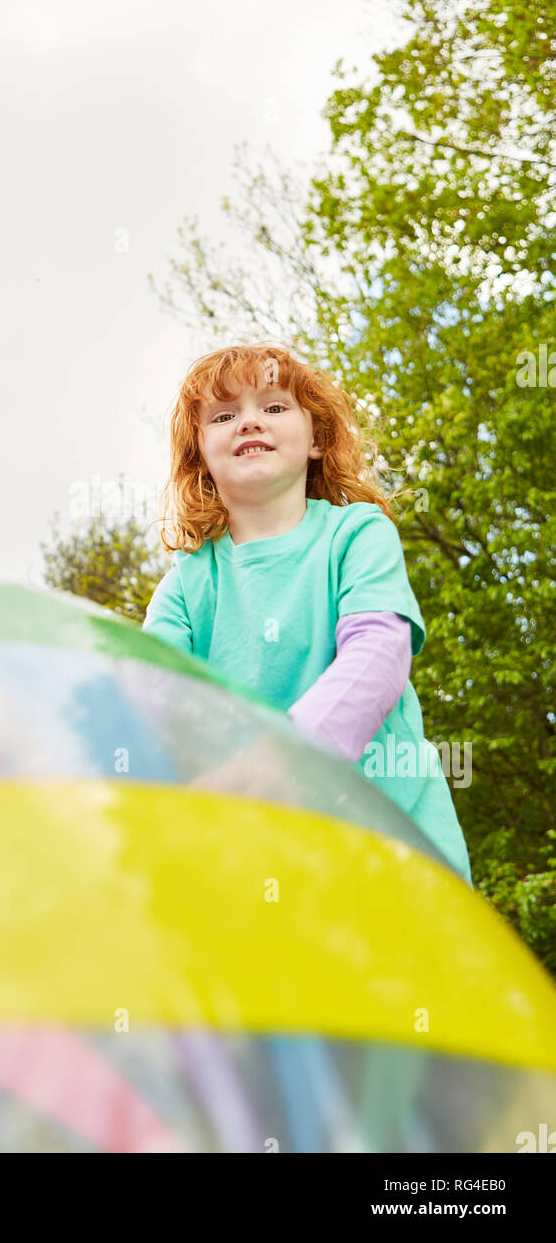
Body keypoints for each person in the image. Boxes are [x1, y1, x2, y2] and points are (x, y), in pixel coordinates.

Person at [142, 341, 472, 886]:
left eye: (273, 407)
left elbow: (378, 653)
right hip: (262, 866)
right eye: (225, 415)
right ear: (199, 454)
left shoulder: (358, 534)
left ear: (317, 439)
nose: (250, 422)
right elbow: (154, 697)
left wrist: (286, 759)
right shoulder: (186, 584)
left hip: (392, 855)